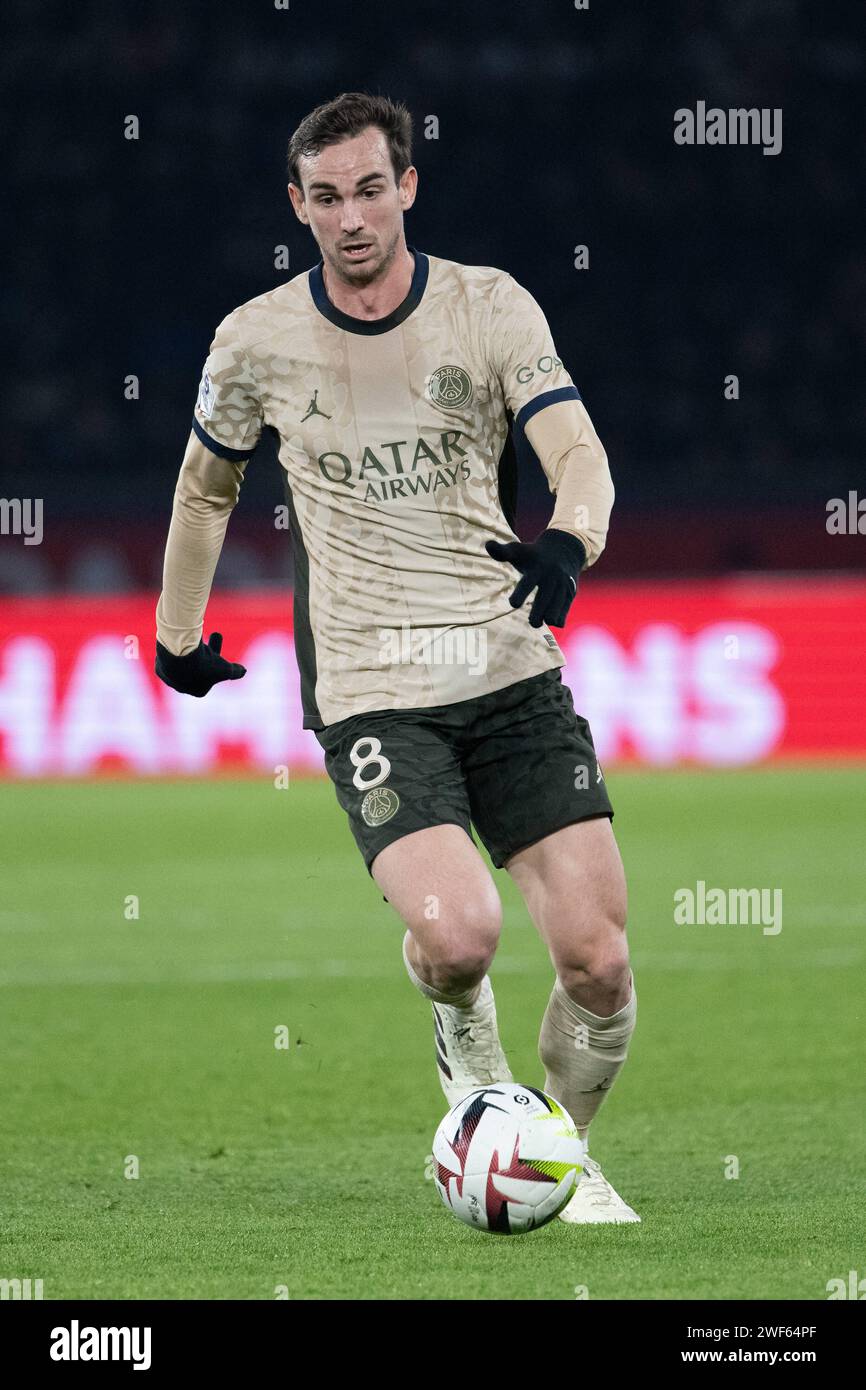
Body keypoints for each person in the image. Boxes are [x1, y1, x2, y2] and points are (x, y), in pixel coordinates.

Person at [155, 91, 638, 1224]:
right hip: (374, 688)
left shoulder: (487, 307)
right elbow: (203, 487)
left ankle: (554, 1156)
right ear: (298, 207)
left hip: (509, 670)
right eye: (325, 197)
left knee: (597, 964)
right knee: (458, 935)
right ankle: (462, 1041)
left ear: (407, 186)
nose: (352, 216)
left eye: (371, 188)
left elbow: (575, 446)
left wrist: (569, 538)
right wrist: (176, 636)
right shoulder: (256, 341)